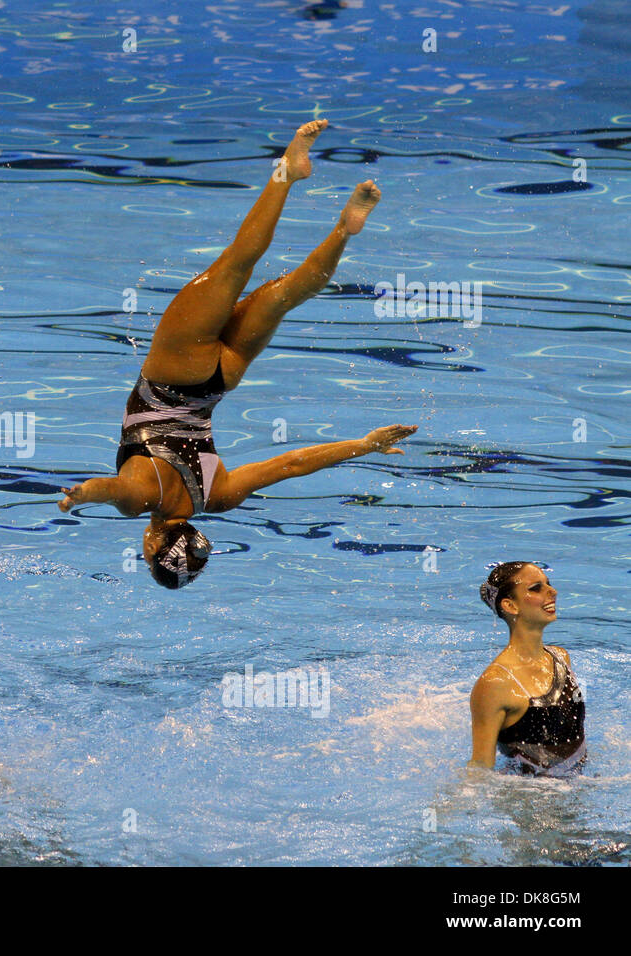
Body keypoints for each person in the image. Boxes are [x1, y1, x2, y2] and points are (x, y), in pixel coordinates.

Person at [58, 119, 416, 588]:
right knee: (235, 264)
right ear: (150, 547)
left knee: (284, 294)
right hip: (173, 374)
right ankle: (288, 169)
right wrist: (79, 497)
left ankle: (344, 230)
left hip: (220, 381)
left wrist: (365, 446)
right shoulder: (141, 499)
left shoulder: (219, 497)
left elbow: (290, 465)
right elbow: (109, 491)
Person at [468, 562, 585, 775]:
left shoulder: (561, 657)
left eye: (548, 584)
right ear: (510, 606)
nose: (553, 591)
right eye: (536, 588)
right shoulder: (495, 684)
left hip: (580, 785)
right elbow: (480, 767)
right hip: (531, 801)